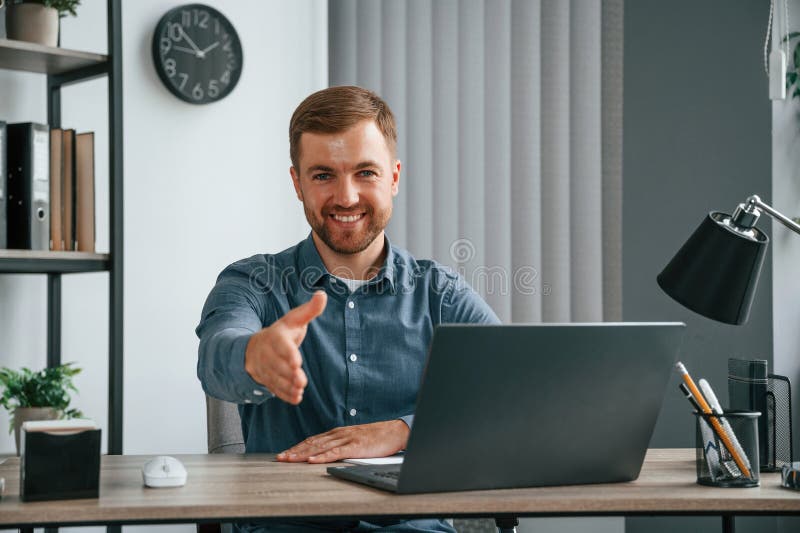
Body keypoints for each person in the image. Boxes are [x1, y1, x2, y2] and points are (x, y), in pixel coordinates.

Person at [196, 86, 499, 532]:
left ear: (393, 178)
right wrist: (253, 356)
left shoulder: (441, 294)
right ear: (297, 183)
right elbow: (215, 357)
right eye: (323, 175)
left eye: (365, 173)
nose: (347, 196)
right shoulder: (252, 282)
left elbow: (511, 397)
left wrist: (402, 431)